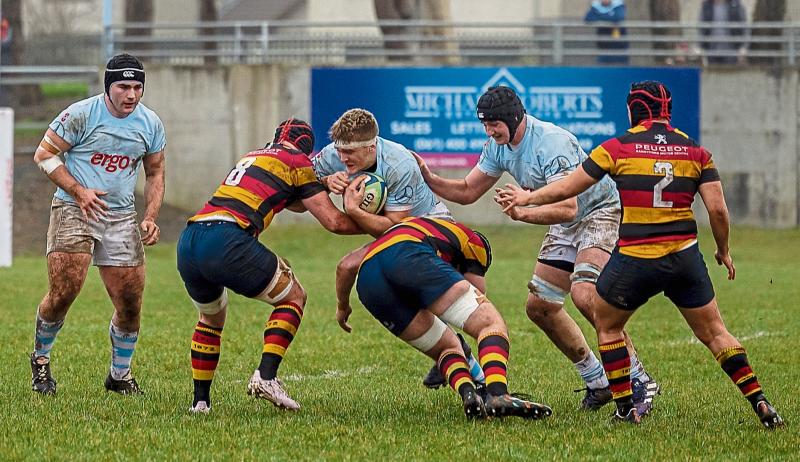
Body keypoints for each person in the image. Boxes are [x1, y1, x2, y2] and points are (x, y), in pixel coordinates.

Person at [495, 80, 784, 428]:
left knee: (607, 325)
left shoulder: (617, 148)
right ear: (667, 111)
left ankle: (625, 408)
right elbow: (718, 211)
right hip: (685, 258)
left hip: (637, 258)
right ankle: (760, 401)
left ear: (633, 111)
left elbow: (569, 188)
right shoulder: (696, 152)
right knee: (716, 333)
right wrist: (723, 250)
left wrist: (527, 198)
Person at [414, 85, 659, 414]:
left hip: (600, 213)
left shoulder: (551, 142)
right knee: (540, 307)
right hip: (566, 222)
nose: (489, 131)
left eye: (494, 124)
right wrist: (428, 177)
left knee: (585, 295)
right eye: (485, 125)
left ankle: (638, 379)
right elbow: (468, 190)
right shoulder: (498, 146)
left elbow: (569, 207)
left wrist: (522, 211)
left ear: (514, 118)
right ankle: (598, 381)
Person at [178, 119, 365, 413]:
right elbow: (334, 222)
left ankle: (200, 403)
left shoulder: (255, 156)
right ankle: (266, 377)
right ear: (307, 149)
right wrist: (382, 225)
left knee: (210, 320)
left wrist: (323, 184)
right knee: (294, 297)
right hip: (226, 239)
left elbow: (294, 200)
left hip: (190, 239)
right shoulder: (297, 161)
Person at [313, 107, 486, 388]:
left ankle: (465, 362)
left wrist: (354, 210)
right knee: (348, 266)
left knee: (421, 290)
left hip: (429, 226)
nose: (342, 158)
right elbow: (304, 184)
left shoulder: (398, 163)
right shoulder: (334, 153)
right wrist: (324, 180)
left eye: (349, 153)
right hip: (394, 232)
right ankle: (460, 357)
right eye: (339, 150)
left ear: (371, 147)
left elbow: (394, 227)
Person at [334, 203, 552, 420]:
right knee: (489, 323)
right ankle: (498, 394)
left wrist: (343, 306)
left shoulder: (418, 228)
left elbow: (346, 266)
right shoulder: (474, 242)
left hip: (369, 280)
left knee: (445, 348)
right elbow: (477, 296)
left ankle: (469, 395)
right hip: (408, 254)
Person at [29, 53, 165, 396]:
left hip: (120, 216)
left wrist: (150, 216)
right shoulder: (81, 114)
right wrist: (79, 191)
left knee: (130, 303)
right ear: (108, 87)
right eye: (123, 87)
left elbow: (155, 172)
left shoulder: (150, 123)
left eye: (137, 87)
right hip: (74, 209)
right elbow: (44, 155)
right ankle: (41, 360)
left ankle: (119, 375)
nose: (131, 95)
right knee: (64, 292)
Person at [699, 0, 748, 64]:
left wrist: (743, 47)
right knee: (712, 70)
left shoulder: (736, 5)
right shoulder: (706, 6)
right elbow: (701, 29)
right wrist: (699, 47)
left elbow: (744, 28)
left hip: (731, 51)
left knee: (730, 70)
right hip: (711, 50)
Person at [584, 0, 629, 65]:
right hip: (603, 47)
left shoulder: (618, 4)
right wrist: (609, 16)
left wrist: (599, 16)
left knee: (620, 68)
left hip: (619, 46)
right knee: (603, 68)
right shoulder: (596, 5)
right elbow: (588, 18)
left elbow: (618, 18)